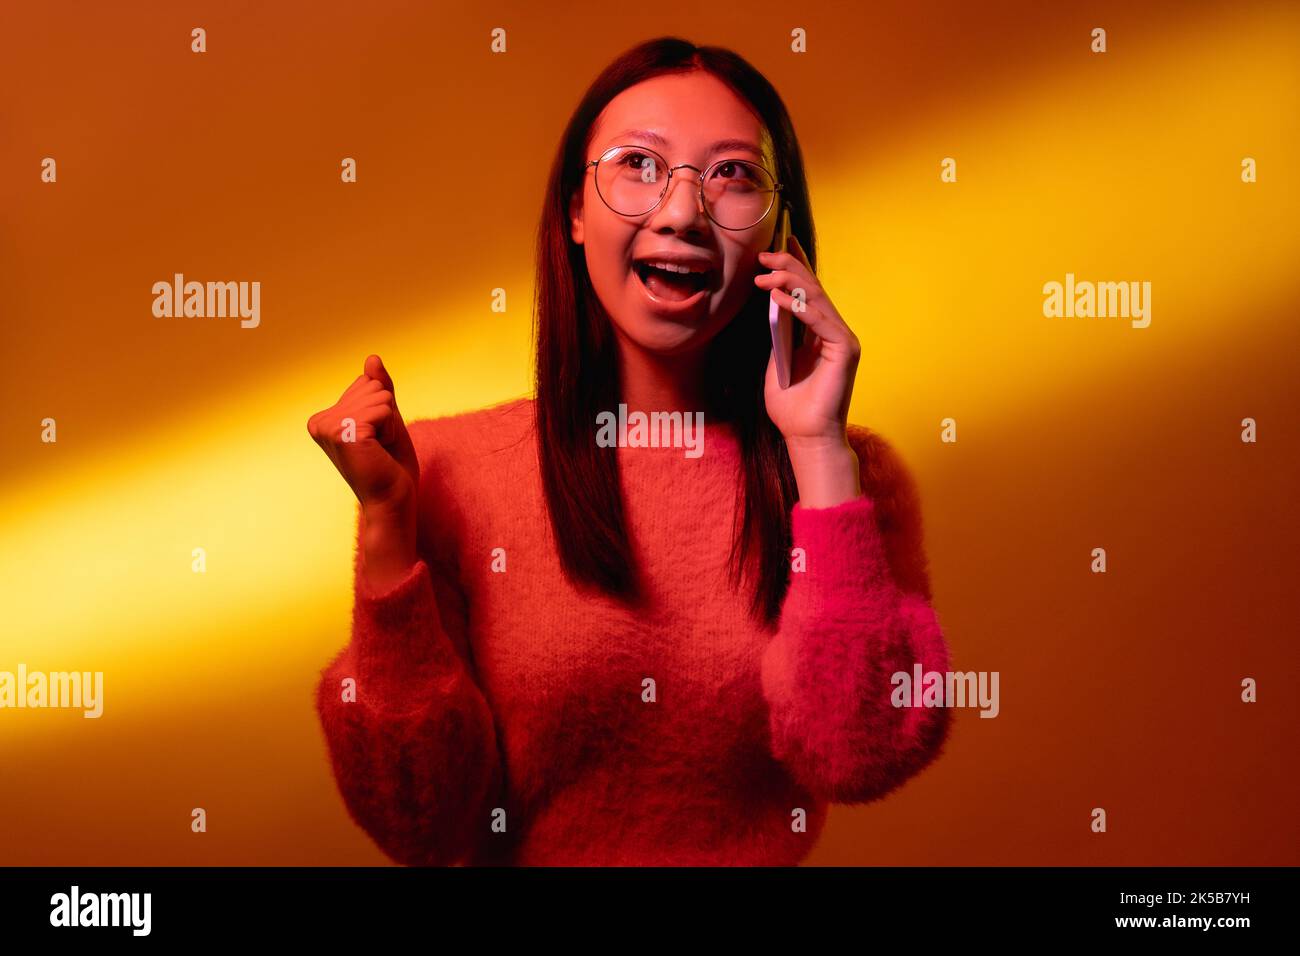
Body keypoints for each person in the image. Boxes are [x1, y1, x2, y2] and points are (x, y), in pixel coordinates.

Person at [307, 36, 952, 866]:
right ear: (575, 212)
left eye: (731, 175)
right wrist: (390, 527)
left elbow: (859, 753)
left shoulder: (849, 479)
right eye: (639, 165)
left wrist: (819, 450)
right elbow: (420, 821)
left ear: (775, 234)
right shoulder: (447, 476)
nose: (682, 212)